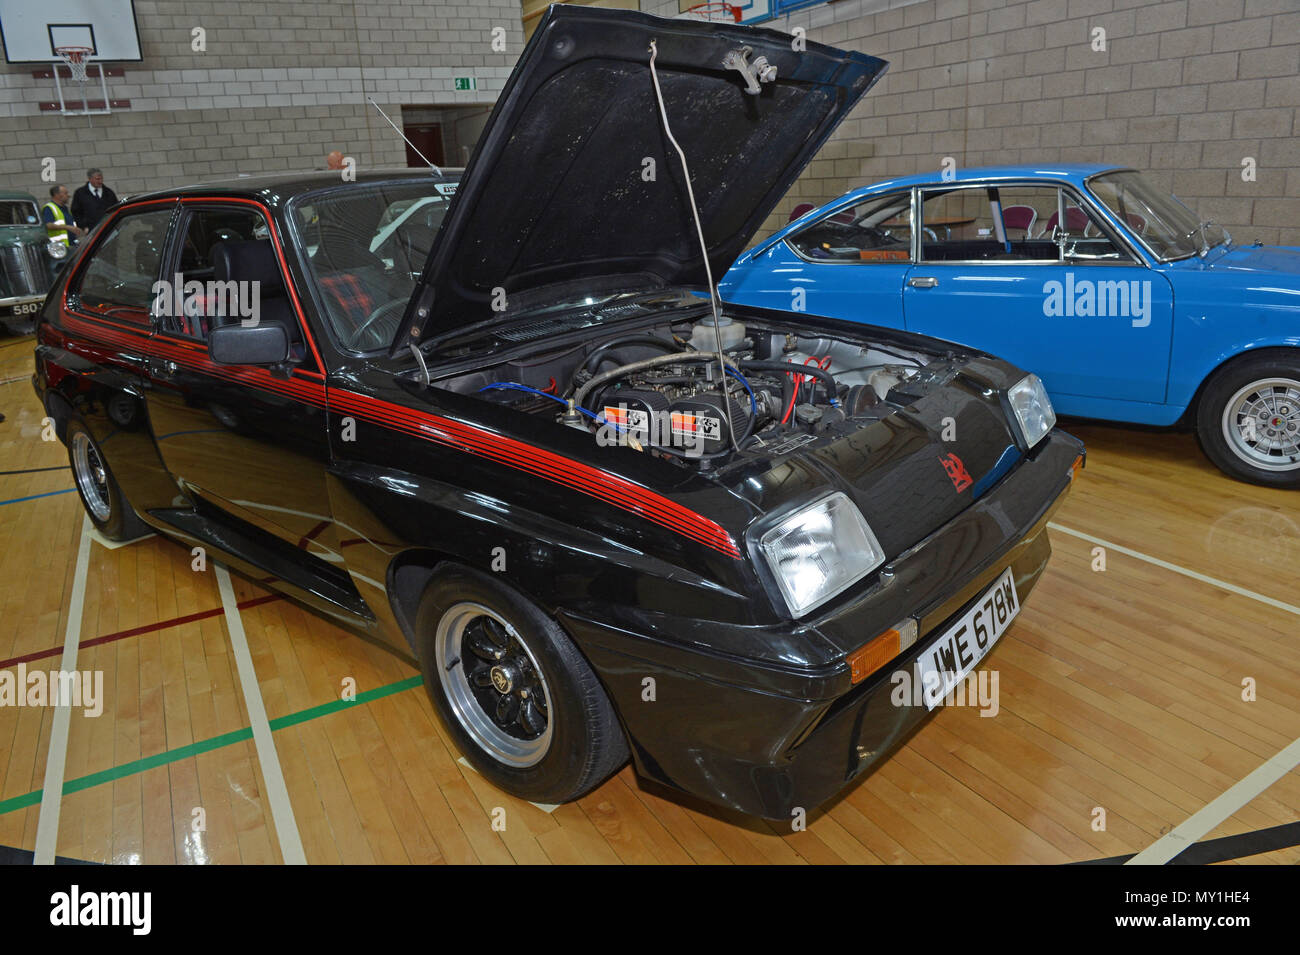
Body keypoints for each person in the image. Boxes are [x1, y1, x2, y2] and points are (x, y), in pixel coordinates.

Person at [70, 168, 117, 232]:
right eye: (97, 179)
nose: (100, 181)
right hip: (91, 230)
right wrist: (83, 227)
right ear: (90, 179)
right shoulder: (80, 193)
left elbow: (116, 208)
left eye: (101, 178)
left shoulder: (109, 192)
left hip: (109, 229)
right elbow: (76, 212)